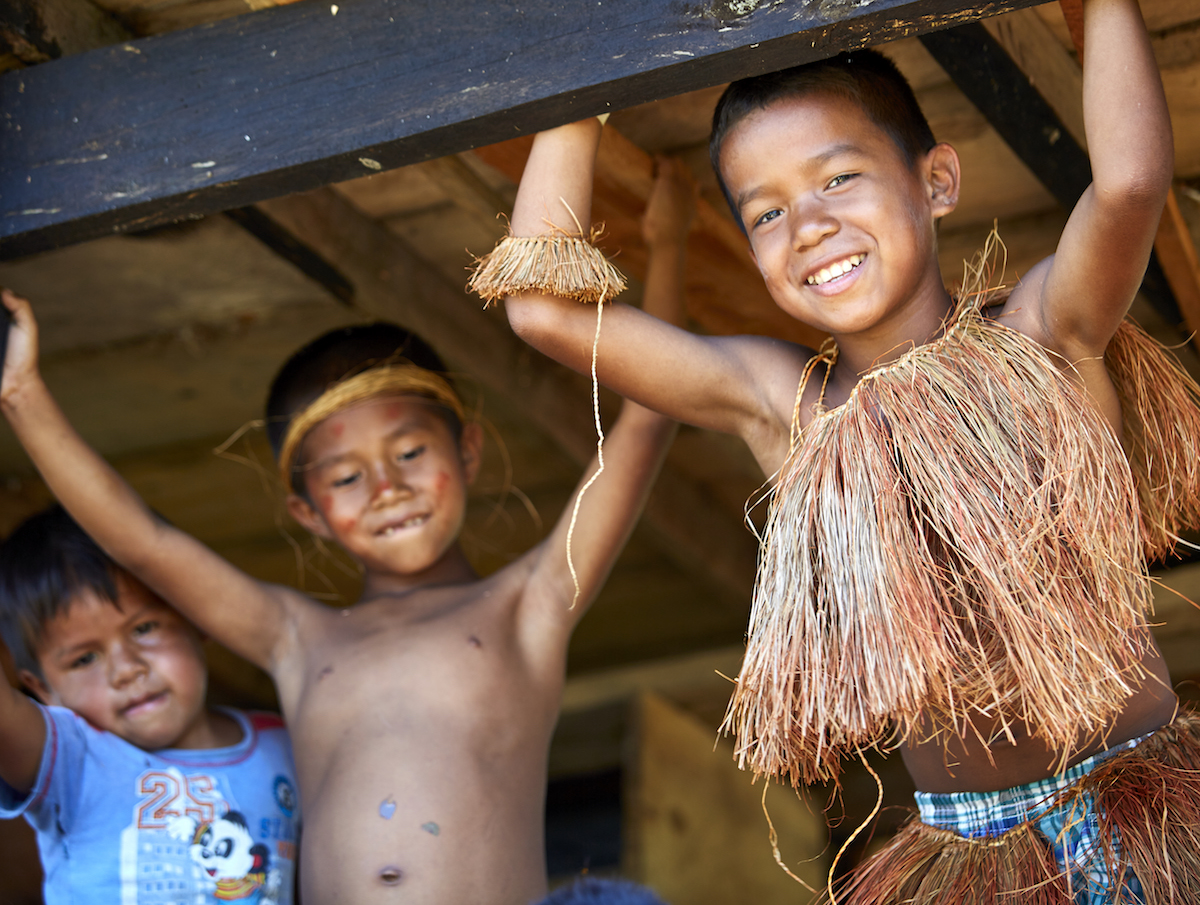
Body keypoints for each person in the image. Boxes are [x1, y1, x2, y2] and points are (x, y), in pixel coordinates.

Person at [482, 0, 1200, 900]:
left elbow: (1130, 185)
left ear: (937, 180)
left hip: (1149, 809)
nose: (808, 226)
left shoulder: (1047, 333)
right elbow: (540, 311)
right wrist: (578, 89)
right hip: (970, 853)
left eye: (838, 178)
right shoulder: (785, 407)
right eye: (767, 212)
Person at [0, 161, 691, 904]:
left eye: (410, 452)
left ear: (468, 451)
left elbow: (647, 420)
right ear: (307, 511)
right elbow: (142, 543)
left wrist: (670, 247)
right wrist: (21, 391)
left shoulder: (531, 603)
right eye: (346, 476)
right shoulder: (296, 637)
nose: (387, 488)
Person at [0, 504, 300, 905]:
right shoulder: (69, 757)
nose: (127, 670)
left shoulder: (285, 741)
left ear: (199, 616)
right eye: (84, 659)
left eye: (144, 629)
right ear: (43, 689)